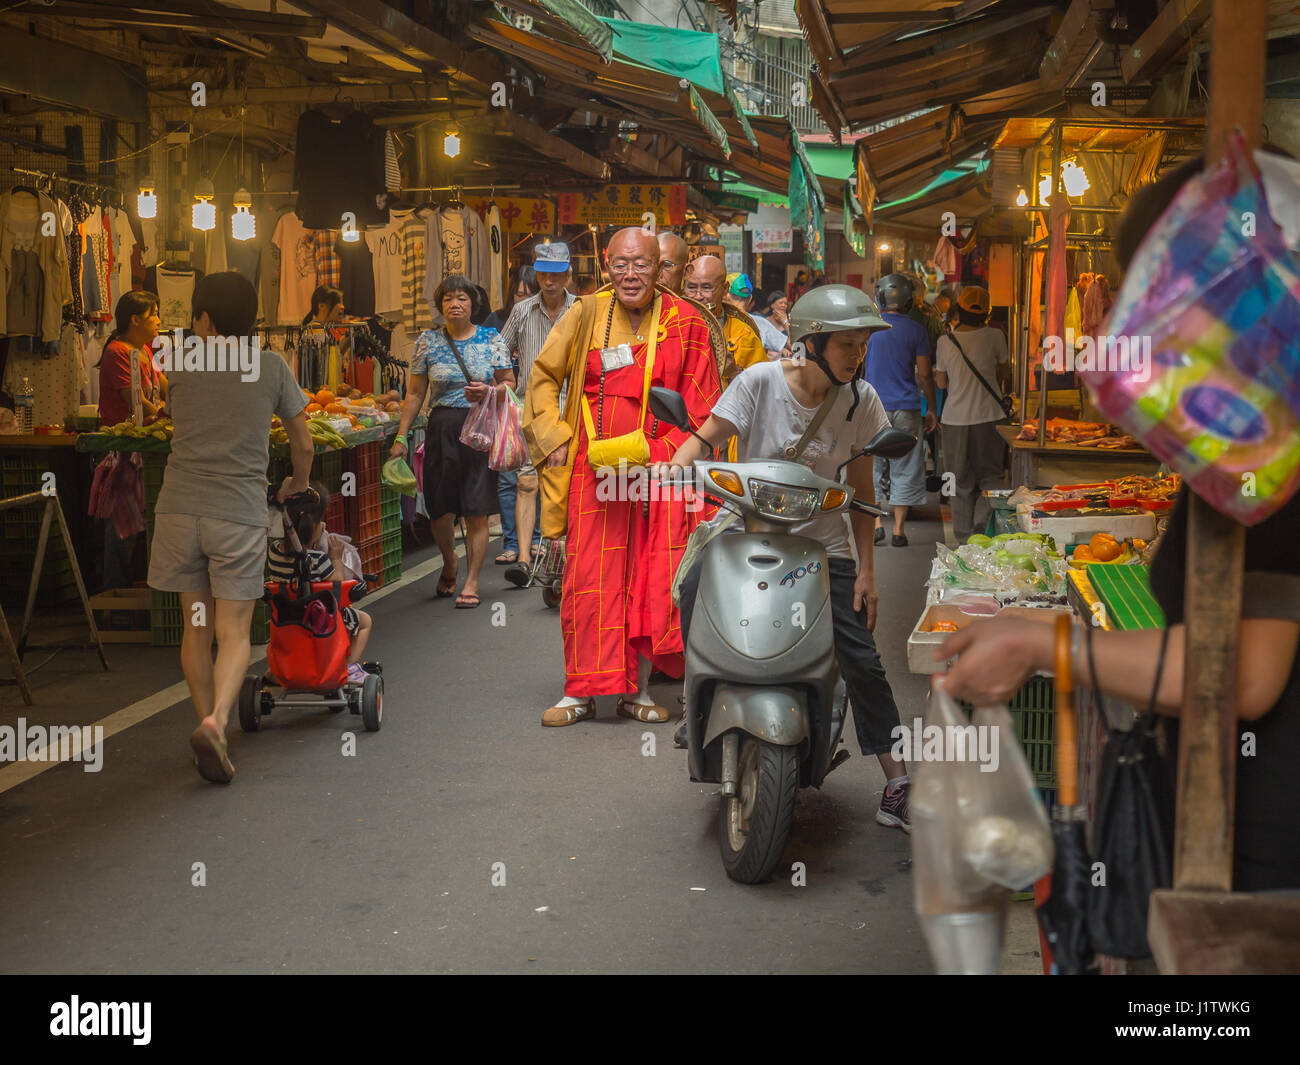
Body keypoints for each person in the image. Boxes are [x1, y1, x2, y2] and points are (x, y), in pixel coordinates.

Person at [938, 155, 1300, 891]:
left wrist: (1043, 643)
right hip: (1231, 837)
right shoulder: (1249, 432)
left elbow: (1248, 675)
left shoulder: (1278, 450)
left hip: (1271, 873)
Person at [658, 285, 913, 831]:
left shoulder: (861, 400)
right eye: (846, 344)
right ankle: (693, 699)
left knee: (862, 658)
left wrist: (867, 570)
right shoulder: (759, 383)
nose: (857, 356)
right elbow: (706, 437)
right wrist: (677, 464)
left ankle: (897, 780)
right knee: (692, 582)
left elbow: (863, 487)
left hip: (824, 547)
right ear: (810, 342)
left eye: (862, 345)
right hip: (748, 531)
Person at [521, 227, 721, 727]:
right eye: (621, 264)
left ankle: (637, 689)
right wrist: (554, 437)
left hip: (659, 472)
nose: (631, 274)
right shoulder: (585, 313)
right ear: (606, 266)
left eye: (643, 265)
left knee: (648, 577)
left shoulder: (686, 321)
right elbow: (543, 377)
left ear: (661, 268)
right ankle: (580, 692)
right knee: (589, 578)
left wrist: (673, 457)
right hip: (596, 470)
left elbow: (706, 404)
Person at [147, 271, 314, 784]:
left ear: (205, 316)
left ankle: (206, 722)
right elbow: (303, 445)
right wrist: (295, 485)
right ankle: (218, 721)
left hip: (179, 513)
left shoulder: (177, 363)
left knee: (196, 626)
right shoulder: (270, 366)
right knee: (234, 630)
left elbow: (173, 416)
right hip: (236, 515)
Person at [389, 275, 515, 609]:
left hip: (478, 431)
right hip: (440, 429)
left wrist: (489, 391)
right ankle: (449, 560)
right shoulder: (427, 342)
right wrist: (401, 436)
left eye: (461, 298)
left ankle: (472, 582)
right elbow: (415, 393)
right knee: (439, 509)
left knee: (476, 510)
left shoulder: (491, 338)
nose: (454, 304)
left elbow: (509, 385)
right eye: (447, 298)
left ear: (473, 304)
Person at [499, 242, 575, 583]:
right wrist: (508, 378)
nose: (549, 281)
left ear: (568, 276)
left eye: (556, 274)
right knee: (527, 482)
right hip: (531, 411)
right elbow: (500, 348)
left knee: (569, 484)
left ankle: (566, 557)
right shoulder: (523, 310)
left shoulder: (582, 310)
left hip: (572, 409)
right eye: (544, 273)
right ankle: (525, 559)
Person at [95, 291, 167, 591]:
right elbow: (137, 401)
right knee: (123, 527)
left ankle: (132, 592)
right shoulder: (117, 352)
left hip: (145, 447)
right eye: (154, 314)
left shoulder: (144, 351)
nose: (159, 320)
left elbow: (164, 389)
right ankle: (115, 595)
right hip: (123, 451)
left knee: (138, 523)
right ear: (135, 320)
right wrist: (167, 416)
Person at [268, 480, 373, 682]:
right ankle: (349, 667)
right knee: (365, 621)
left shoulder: (273, 552)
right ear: (313, 527)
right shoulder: (317, 559)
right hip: (321, 618)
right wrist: (335, 557)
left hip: (286, 616)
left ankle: (278, 669)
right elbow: (337, 586)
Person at [864, 273, 937, 547]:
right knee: (904, 465)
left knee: (873, 462)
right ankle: (898, 530)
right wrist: (932, 407)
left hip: (873, 406)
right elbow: (926, 374)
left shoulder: (871, 328)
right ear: (908, 300)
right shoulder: (916, 330)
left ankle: (876, 524)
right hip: (907, 406)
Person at [934, 285, 1009, 541]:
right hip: (991, 417)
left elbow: (941, 383)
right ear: (987, 314)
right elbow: (1004, 374)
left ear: (959, 311)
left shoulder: (945, 341)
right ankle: (982, 526)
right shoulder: (996, 336)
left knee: (957, 480)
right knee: (992, 477)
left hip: (955, 420)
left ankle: (963, 537)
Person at [683, 255, 765, 387]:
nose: (698, 296)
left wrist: (733, 374)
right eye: (691, 288)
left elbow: (761, 387)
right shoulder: (674, 323)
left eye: (706, 288)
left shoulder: (743, 334)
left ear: (725, 289)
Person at [485, 265, 539, 333]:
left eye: (531, 296)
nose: (525, 301)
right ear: (512, 294)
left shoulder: (545, 320)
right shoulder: (495, 320)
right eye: (520, 295)